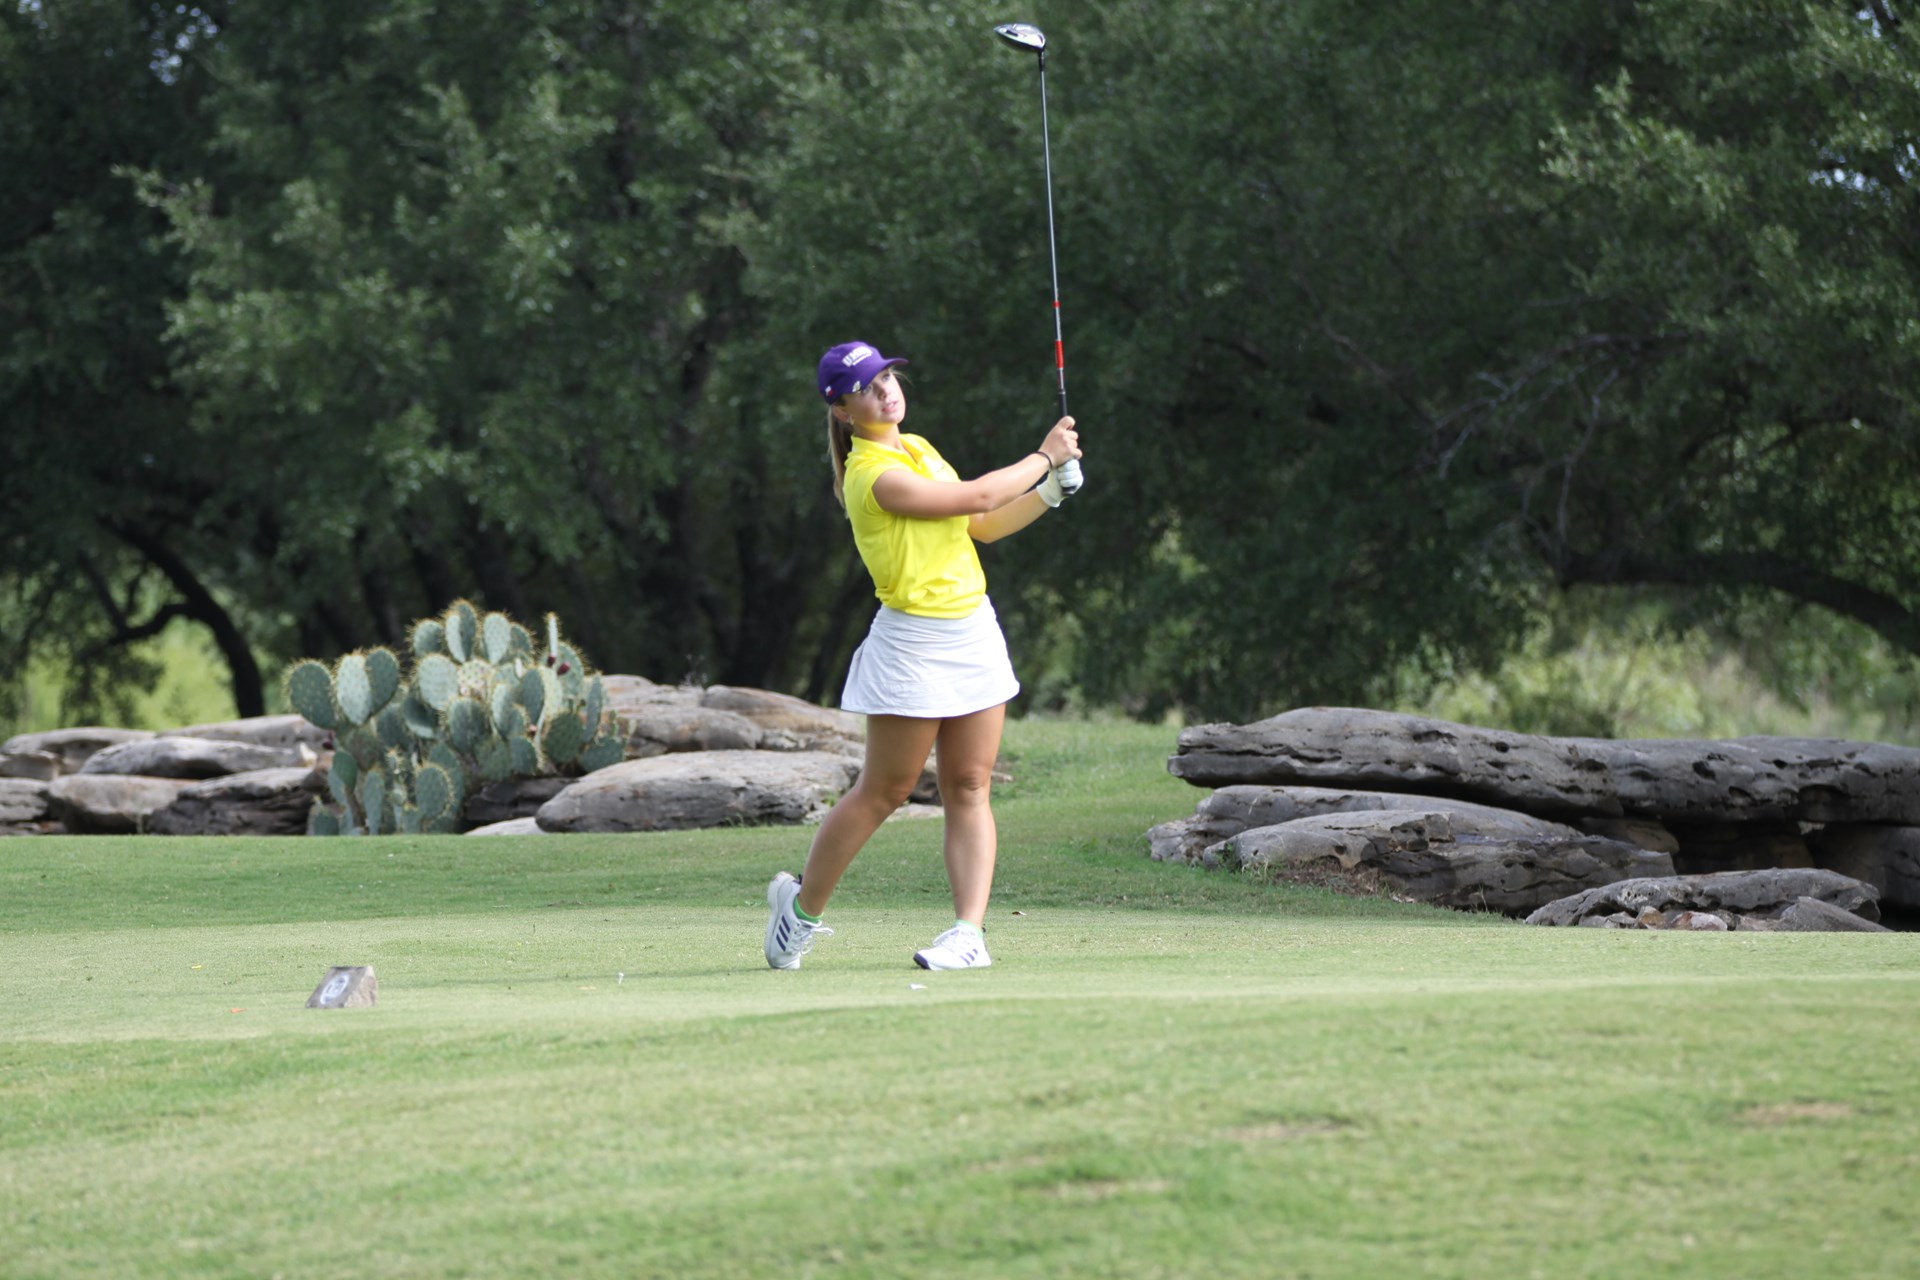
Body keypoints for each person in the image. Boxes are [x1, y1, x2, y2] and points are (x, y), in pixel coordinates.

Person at [764, 340, 1082, 972]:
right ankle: (799, 916)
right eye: (866, 387)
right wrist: (1044, 457)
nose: (885, 390)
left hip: (972, 632)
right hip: (912, 644)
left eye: (887, 376)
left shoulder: (919, 449)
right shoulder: (873, 476)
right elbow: (980, 498)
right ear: (843, 411)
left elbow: (983, 527)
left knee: (969, 785)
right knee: (885, 791)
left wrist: (1050, 493)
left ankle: (969, 935)